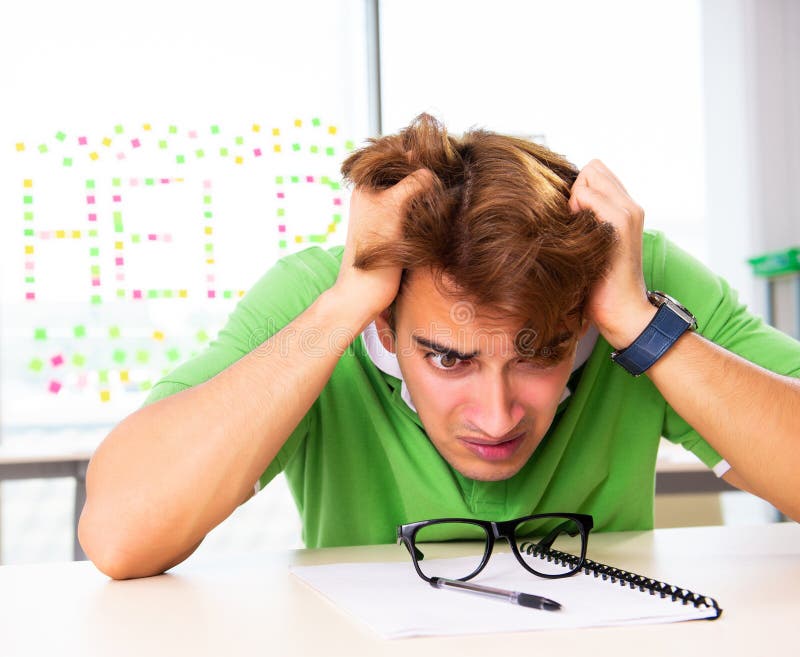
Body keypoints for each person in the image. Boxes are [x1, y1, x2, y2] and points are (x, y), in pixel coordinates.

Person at [78, 114, 800, 580]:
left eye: (540, 353)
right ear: (385, 326)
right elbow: (118, 534)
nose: (496, 416)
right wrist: (343, 307)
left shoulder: (635, 284)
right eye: (449, 357)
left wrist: (639, 325)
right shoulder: (330, 296)